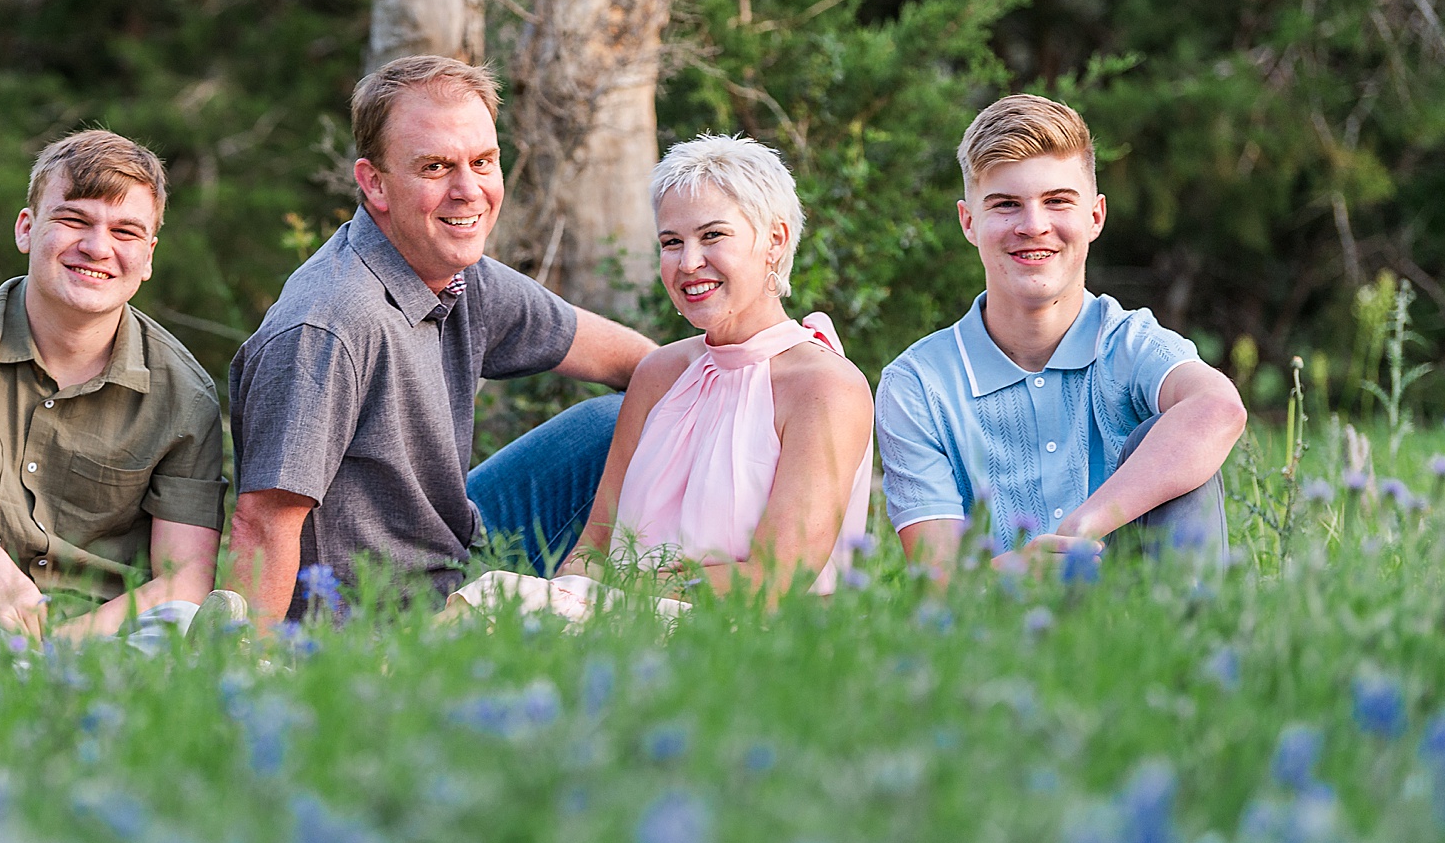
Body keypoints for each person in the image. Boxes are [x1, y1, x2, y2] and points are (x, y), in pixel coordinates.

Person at [225, 55, 655, 624]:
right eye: (435, 167)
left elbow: (642, 364)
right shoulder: (327, 325)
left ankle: (678, 587)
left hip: (450, 554)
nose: (469, 190)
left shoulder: (457, 273)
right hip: (368, 617)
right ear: (374, 183)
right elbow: (262, 524)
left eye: (483, 162)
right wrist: (254, 673)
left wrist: (780, 369)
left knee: (621, 420)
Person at [0, 129, 232, 648]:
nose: (97, 247)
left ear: (148, 257)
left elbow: (183, 577)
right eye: (74, 219)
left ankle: (6, 689)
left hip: (96, 643)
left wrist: (57, 648)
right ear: (27, 229)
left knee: (185, 617)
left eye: (125, 232)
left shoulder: (184, 392)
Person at [875, 94, 1248, 571]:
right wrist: (1020, 573)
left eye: (1057, 202)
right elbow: (939, 581)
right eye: (1007, 205)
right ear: (970, 223)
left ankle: (1194, 640)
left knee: (1175, 431)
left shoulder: (1132, 344)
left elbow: (1218, 408)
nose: (1034, 226)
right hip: (997, 634)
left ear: (1095, 217)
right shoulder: (917, 384)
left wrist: (1082, 528)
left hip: (1149, 628)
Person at [553, 134, 875, 600]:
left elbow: (774, 582)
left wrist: (614, 593)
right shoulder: (658, 374)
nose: (688, 262)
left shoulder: (825, 387)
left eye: (712, 235)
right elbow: (592, 547)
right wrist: (564, 603)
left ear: (775, 240)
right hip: (611, 628)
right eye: (671, 242)